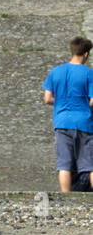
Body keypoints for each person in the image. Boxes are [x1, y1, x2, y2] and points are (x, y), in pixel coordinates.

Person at [41, 37, 93, 192]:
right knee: (90, 165)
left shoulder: (55, 72)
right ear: (86, 54)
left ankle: (66, 198)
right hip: (84, 122)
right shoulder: (89, 73)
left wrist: (61, 102)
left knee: (64, 164)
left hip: (62, 122)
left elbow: (47, 99)